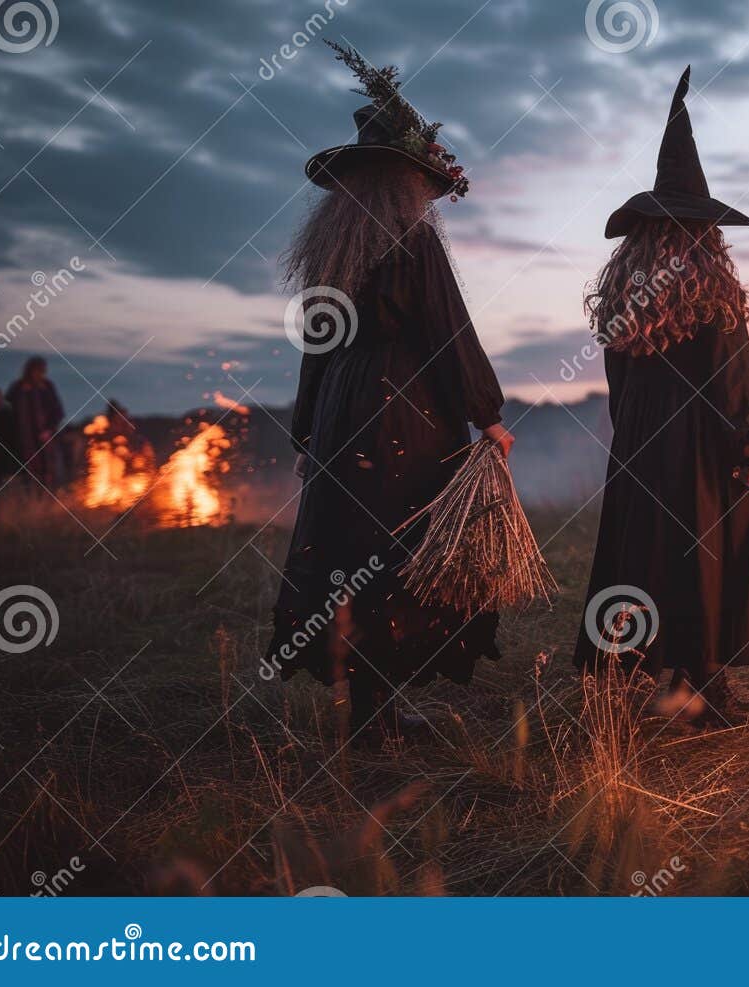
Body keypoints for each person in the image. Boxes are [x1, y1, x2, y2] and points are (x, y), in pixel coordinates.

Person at [266, 42, 511, 743]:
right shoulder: (415, 241)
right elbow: (447, 331)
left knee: (354, 546)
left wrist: (308, 427)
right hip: (409, 408)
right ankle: (377, 714)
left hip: (345, 407)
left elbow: (317, 347)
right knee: (401, 549)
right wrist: (487, 415)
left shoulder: (329, 252)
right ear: (409, 181)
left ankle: (369, 709)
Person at [575, 67, 749, 725]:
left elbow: (620, 390)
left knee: (650, 554)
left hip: (640, 445)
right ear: (702, 230)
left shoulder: (624, 295)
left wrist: (635, 442)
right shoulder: (712, 293)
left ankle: (667, 685)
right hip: (701, 445)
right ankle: (698, 689)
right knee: (711, 549)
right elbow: (733, 381)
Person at [6, 356, 64, 487]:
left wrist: (49, 429)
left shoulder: (47, 387)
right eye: (37, 370)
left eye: (42, 370)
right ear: (29, 370)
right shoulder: (18, 387)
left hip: (45, 434)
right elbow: (10, 407)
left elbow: (57, 411)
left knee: (48, 466)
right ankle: (31, 495)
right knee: (29, 466)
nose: (39, 373)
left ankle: (47, 495)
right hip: (24, 436)